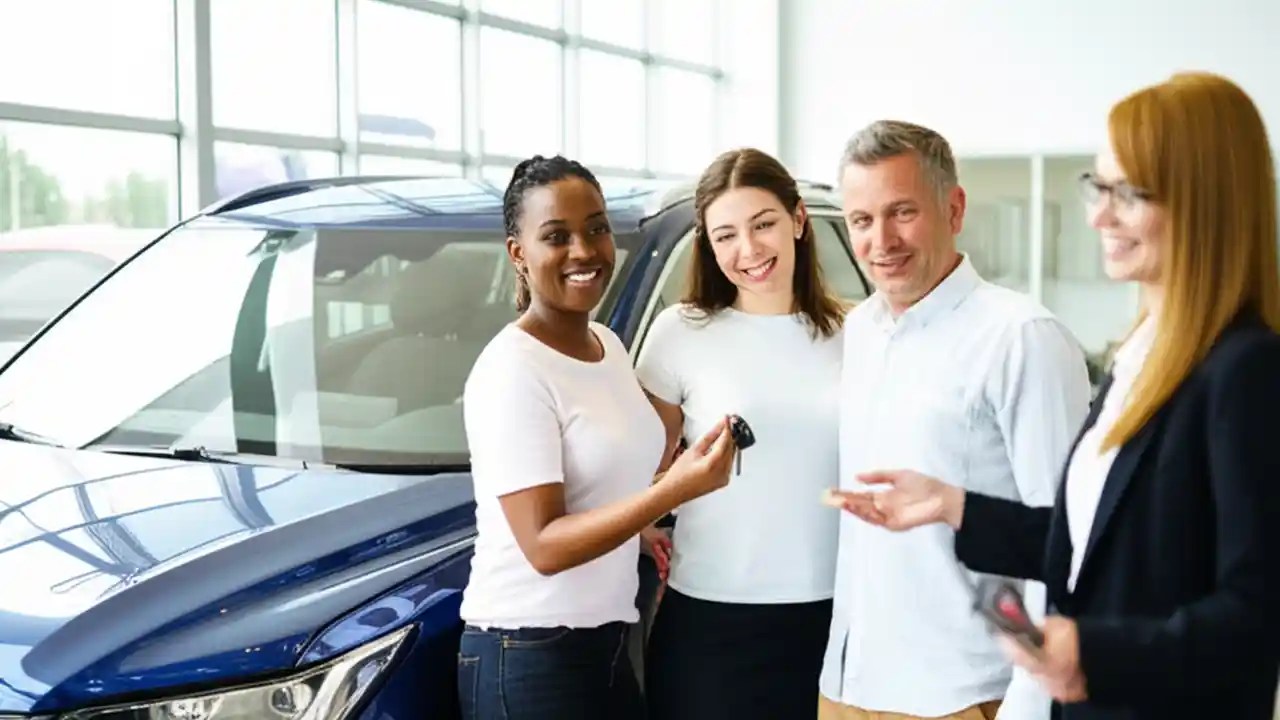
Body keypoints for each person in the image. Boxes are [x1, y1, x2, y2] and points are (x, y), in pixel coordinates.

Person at [833, 72, 1280, 720]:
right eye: (1099, 188)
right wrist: (954, 506)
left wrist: (1090, 652)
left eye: (1131, 193)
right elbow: (1094, 540)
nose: (1099, 215)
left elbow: (1255, 618)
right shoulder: (1139, 355)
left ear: (1205, 202)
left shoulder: (1245, 370)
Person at [818, 121, 1093, 720]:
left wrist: (1029, 697)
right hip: (849, 685)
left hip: (966, 694)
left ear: (954, 207)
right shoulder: (861, 330)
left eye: (902, 212)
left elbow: (1064, 540)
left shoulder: (1022, 338)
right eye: (861, 221)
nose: (881, 240)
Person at [456, 154, 738, 720]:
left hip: (601, 644)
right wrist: (670, 494)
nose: (583, 251)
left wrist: (640, 531)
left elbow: (596, 485)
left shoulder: (605, 346)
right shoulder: (513, 370)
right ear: (519, 254)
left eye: (596, 229)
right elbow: (542, 545)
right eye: (556, 237)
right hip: (528, 652)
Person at [636, 147, 846, 719]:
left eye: (764, 225)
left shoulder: (860, 333)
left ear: (798, 220)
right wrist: (646, 523)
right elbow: (638, 474)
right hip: (710, 620)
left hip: (834, 617)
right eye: (725, 234)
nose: (748, 250)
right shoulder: (680, 332)